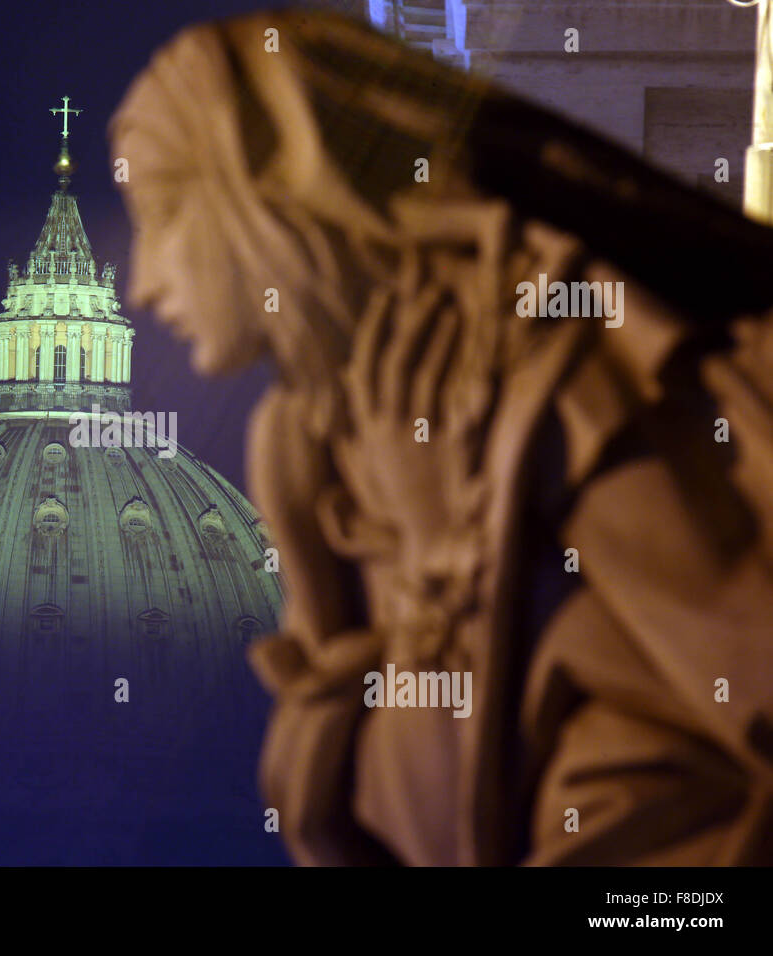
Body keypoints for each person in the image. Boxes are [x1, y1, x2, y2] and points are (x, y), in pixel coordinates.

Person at [109, 8, 773, 865]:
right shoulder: (298, 443)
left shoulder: (537, 351)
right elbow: (384, 832)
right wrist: (434, 566)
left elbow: (751, 676)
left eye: (164, 211)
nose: (141, 282)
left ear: (266, 188)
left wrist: (441, 569)